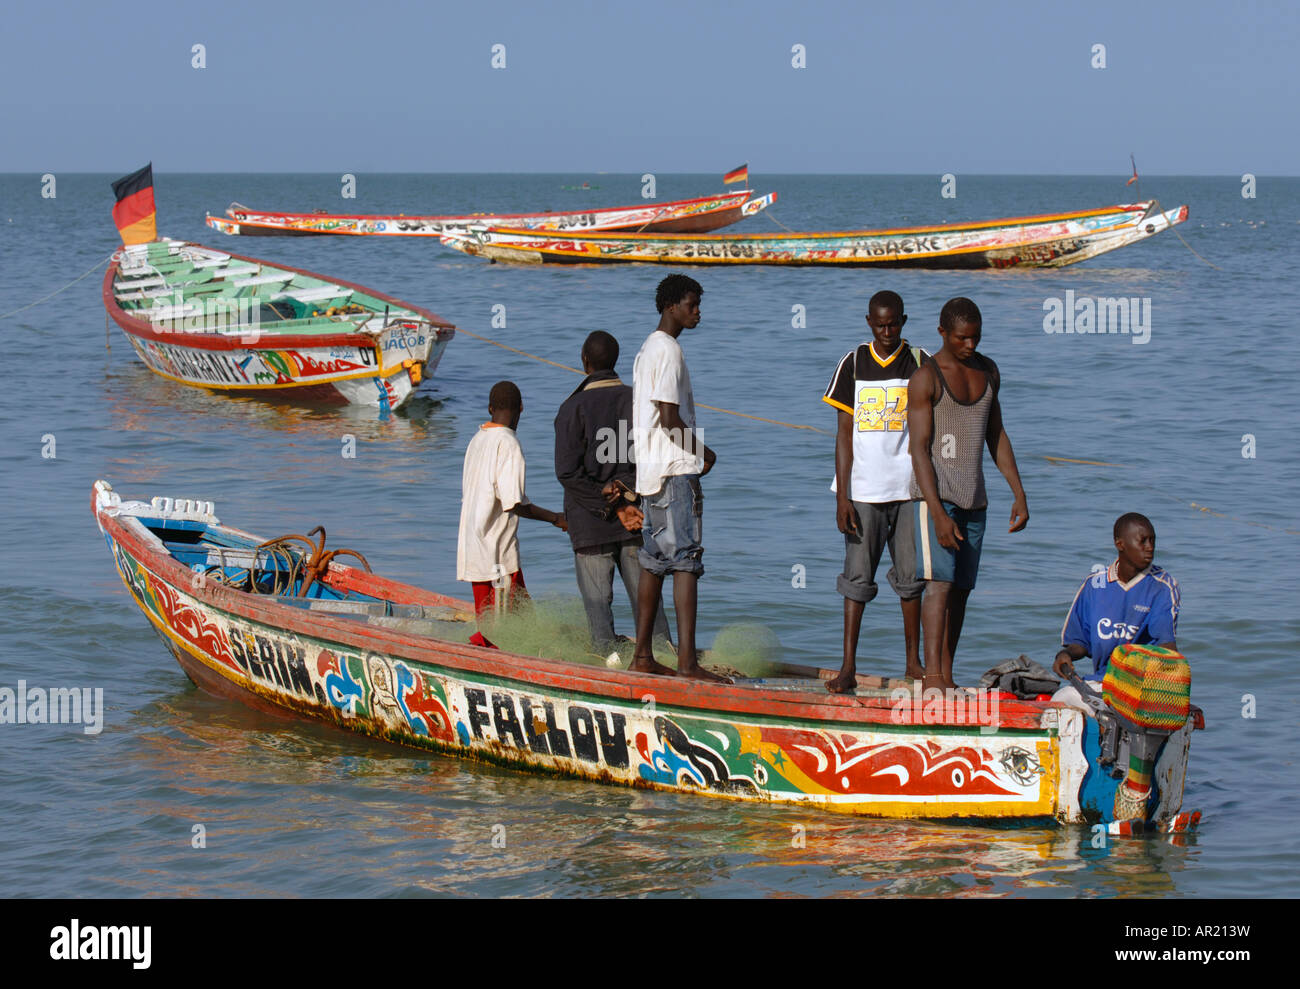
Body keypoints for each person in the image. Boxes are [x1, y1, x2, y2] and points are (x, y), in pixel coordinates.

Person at [908, 297, 1029, 690]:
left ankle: (947, 674)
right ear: (943, 333)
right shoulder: (926, 377)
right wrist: (937, 513)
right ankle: (932, 679)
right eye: (962, 338)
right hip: (935, 498)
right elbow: (919, 450)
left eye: (976, 337)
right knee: (938, 587)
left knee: (961, 591)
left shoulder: (989, 371)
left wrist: (1019, 493)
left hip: (974, 499)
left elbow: (996, 434)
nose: (970, 345)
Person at [821, 290, 925, 693]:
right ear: (868, 322)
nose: (886, 331)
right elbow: (843, 434)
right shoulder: (854, 363)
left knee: (912, 579)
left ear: (903, 320)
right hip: (864, 491)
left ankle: (914, 663)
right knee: (857, 579)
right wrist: (842, 496)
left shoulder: (920, 362)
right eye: (880, 324)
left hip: (910, 490)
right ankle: (847, 667)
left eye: (893, 323)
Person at [628, 274, 726, 682]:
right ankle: (687, 663)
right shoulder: (667, 350)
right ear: (671, 306)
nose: (697, 311)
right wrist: (704, 452)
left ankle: (643, 656)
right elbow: (669, 418)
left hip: (650, 472)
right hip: (673, 470)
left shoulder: (648, 347)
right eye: (691, 304)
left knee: (652, 563)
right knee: (685, 562)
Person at [554, 330, 671, 654]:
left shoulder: (572, 407)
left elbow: (567, 472)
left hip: (590, 524)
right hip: (635, 518)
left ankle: (609, 663)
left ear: (585, 361)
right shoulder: (638, 402)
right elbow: (653, 461)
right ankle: (664, 660)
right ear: (616, 360)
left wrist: (608, 504)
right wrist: (626, 496)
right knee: (649, 607)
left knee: (598, 614)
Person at [456, 380, 567, 648]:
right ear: (521, 408)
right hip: (496, 556)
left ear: (490, 408)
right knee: (497, 635)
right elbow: (513, 503)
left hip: (475, 548)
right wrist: (556, 518)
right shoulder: (508, 443)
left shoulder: (477, 439)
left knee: (521, 618)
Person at [1052, 512, 1180, 686]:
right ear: (1120, 544)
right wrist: (1064, 655)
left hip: (1141, 686)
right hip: (1100, 682)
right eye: (1142, 541)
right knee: (1061, 704)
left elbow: (1167, 649)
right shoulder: (1095, 584)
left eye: (1152, 540)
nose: (1150, 547)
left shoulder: (1162, 586)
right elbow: (1080, 643)